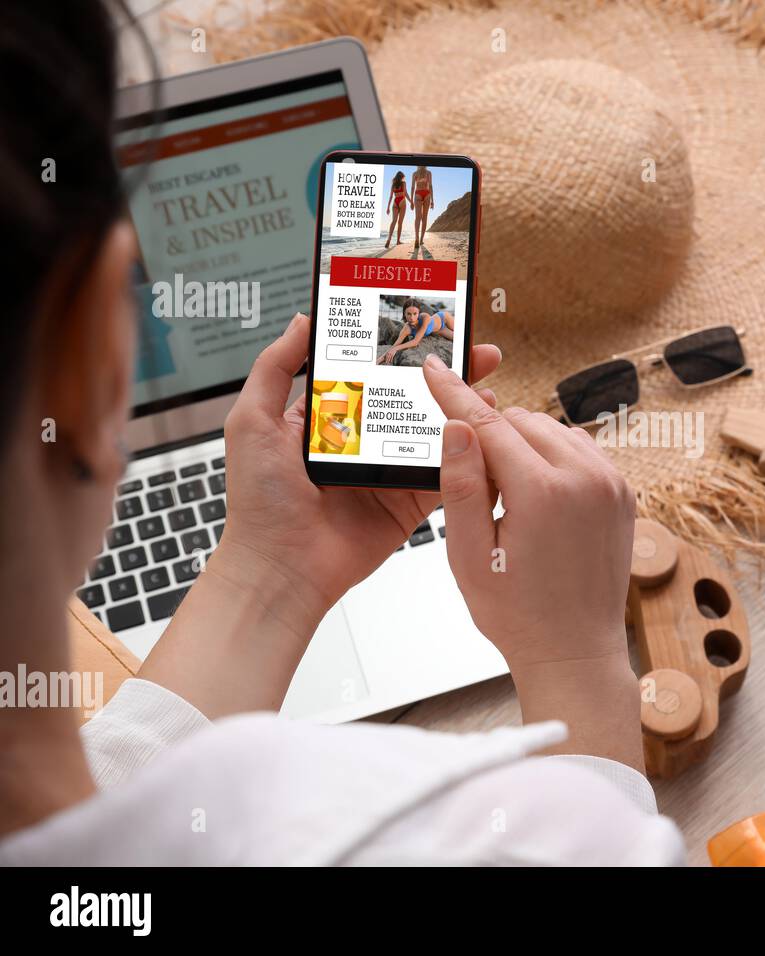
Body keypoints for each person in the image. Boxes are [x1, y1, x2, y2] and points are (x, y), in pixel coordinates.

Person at [0, 0, 684, 866]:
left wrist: (272, 566)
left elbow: (114, 797)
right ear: (96, 351)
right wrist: (581, 667)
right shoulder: (394, 827)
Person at [379, 298, 453, 366]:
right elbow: (394, 346)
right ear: (404, 314)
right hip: (439, 331)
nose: (412, 318)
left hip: (443, 318)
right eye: (409, 314)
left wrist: (396, 348)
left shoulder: (425, 317)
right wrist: (378, 361)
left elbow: (415, 342)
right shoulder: (406, 329)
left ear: (419, 313)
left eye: (415, 314)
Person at [411, 164, 433, 252]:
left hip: (418, 194)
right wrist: (432, 200)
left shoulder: (415, 173)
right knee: (424, 217)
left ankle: (416, 237)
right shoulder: (428, 173)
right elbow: (430, 186)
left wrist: (412, 201)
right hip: (427, 194)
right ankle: (421, 240)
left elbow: (413, 187)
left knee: (417, 217)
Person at [383, 170, 407, 249]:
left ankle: (389, 239)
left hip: (395, 202)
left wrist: (388, 207)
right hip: (402, 201)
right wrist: (411, 202)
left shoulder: (393, 185)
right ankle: (398, 241)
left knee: (394, 221)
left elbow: (390, 196)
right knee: (400, 222)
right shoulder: (403, 183)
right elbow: (405, 193)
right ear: (401, 177)